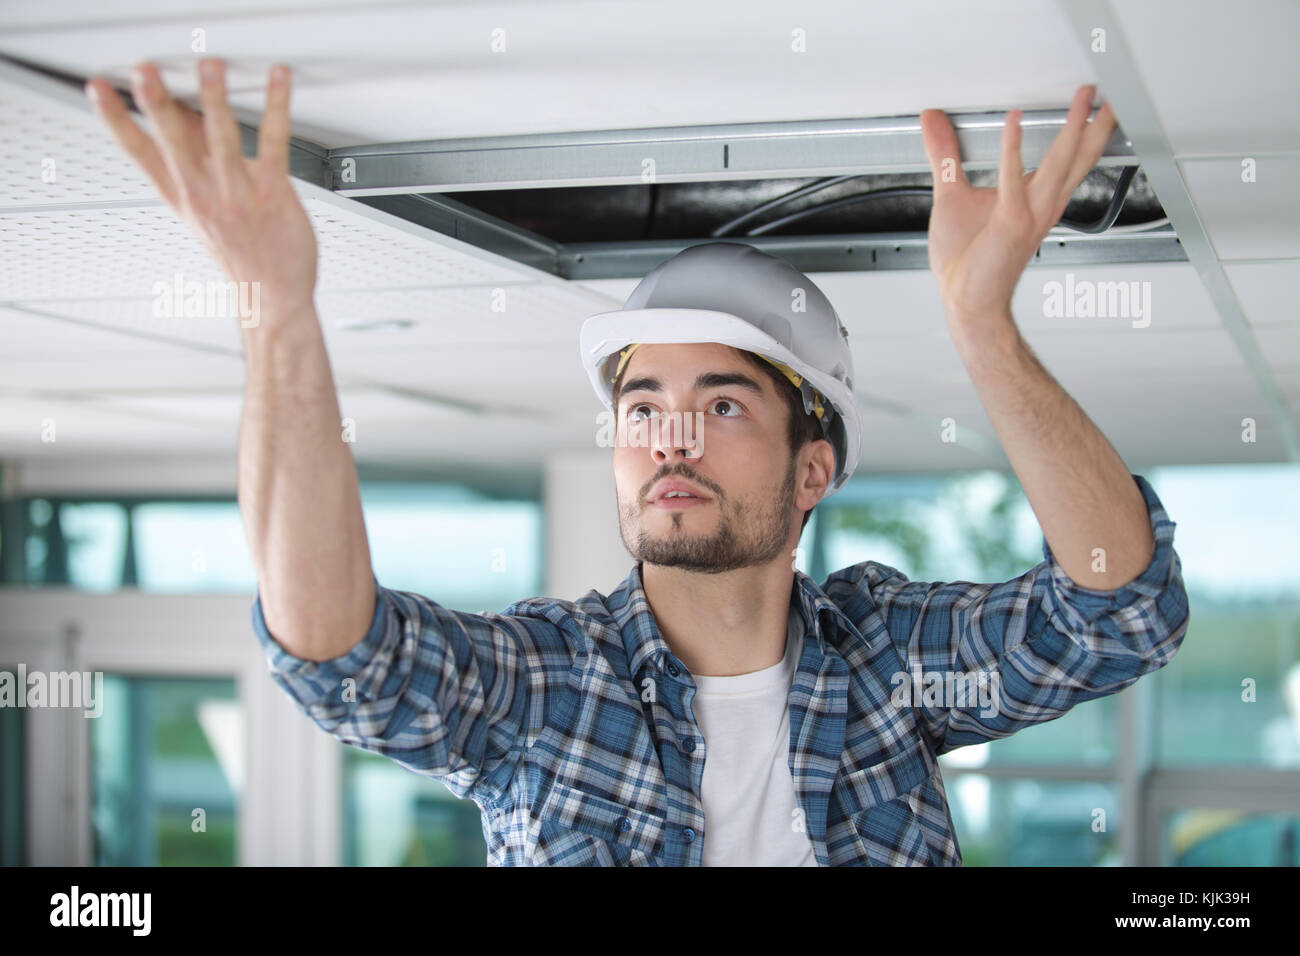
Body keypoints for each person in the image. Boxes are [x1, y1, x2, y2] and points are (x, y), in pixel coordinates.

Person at [86, 59, 1189, 865]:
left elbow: (1117, 611)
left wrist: (982, 324)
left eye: (722, 403)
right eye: (644, 404)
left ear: (814, 470)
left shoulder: (889, 665)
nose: (669, 434)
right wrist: (278, 313)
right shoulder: (543, 688)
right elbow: (338, 651)